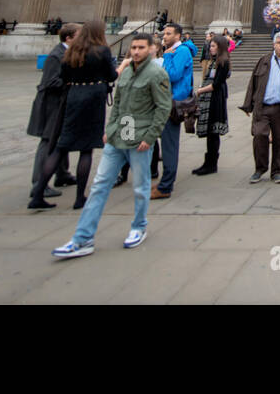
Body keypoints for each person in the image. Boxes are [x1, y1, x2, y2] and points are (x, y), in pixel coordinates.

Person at [51, 31, 172, 258]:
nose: (136, 52)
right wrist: (110, 129)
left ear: (151, 49)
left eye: (140, 48)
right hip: (117, 138)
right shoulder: (125, 73)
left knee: (140, 187)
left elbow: (163, 108)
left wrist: (150, 136)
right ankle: (82, 238)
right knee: (99, 186)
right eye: (133, 48)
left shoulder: (157, 74)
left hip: (139, 139)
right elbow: (117, 103)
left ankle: (139, 226)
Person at [30, 19, 116, 210]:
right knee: (86, 149)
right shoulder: (101, 51)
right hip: (93, 98)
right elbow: (111, 75)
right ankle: (79, 198)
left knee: (61, 145)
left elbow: (63, 76)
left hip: (73, 97)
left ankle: (37, 194)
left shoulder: (71, 52)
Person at [241, 31, 280, 183]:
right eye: (279, 43)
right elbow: (253, 84)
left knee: (279, 140)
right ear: (274, 44)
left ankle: (277, 171)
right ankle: (260, 168)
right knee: (259, 135)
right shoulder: (264, 60)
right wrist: (248, 104)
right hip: (262, 106)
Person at [26, 22, 80, 200]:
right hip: (51, 105)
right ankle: (38, 183)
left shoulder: (67, 53)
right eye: (79, 36)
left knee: (61, 138)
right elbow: (50, 82)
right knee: (48, 141)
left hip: (61, 103)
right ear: (69, 38)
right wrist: (72, 83)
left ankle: (62, 173)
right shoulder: (56, 56)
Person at [153, 23, 194, 200]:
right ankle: (161, 180)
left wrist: (166, 58)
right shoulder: (175, 51)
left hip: (172, 102)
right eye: (164, 33)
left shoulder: (181, 51)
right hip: (165, 100)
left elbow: (173, 75)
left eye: (169, 33)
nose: (165, 36)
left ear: (178, 36)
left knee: (169, 145)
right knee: (166, 143)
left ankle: (166, 185)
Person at [192, 34, 231, 174]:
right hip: (209, 98)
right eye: (210, 46)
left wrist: (200, 91)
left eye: (213, 46)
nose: (210, 48)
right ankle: (208, 163)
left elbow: (216, 83)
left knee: (213, 131)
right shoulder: (214, 61)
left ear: (220, 47)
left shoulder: (223, 62)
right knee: (210, 132)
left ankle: (212, 164)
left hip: (215, 99)